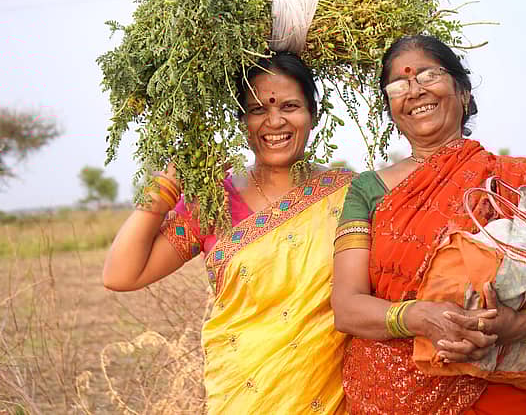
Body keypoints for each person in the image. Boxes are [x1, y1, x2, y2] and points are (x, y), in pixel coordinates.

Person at [330, 35, 526, 414]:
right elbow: (348, 308)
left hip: (499, 391)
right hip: (389, 395)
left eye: (429, 76)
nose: (414, 91)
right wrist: (419, 317)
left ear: (463, 92)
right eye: (398, 85)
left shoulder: (511, 179)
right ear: (391, 108)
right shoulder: (368, 189)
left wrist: (523, 325)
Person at [103, 52, 354, 414]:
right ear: (242, 122)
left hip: (330, 397)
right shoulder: (213, 202)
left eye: (290, 106)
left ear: (314, 115)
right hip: (241, 396)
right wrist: (163, 190)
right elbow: (120, 275)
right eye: (257, 110)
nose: (275, 120)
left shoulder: (351, 194)